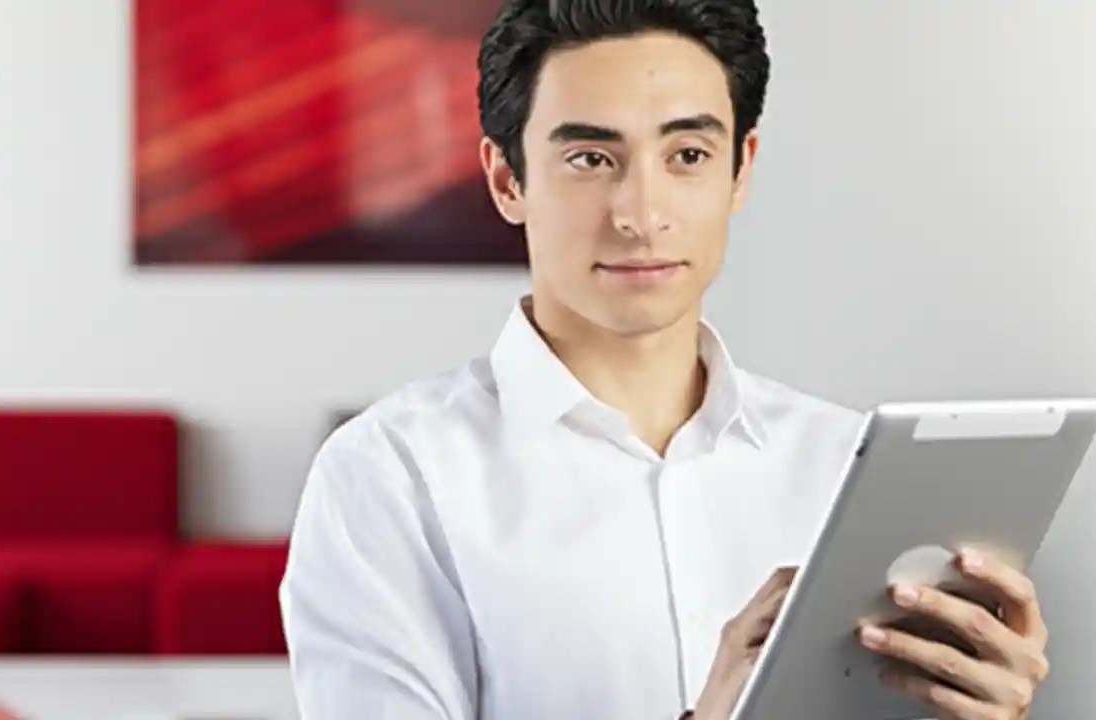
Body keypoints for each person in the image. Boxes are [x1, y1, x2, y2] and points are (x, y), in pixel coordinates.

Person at [279, 1, 1052, 718]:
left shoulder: (847, 465)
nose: (641, 216)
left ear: (739, 170)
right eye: (590, 159)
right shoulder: (389, 478)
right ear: (507, 179)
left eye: (686, 154)